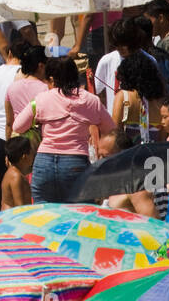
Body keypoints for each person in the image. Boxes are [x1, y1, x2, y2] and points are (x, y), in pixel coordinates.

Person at [12, 56, 113, 203]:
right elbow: (111, 129)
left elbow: (18, 126)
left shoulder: (41, 99)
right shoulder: (91, 101)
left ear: (52, 79)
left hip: (43, 164)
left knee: (45, 218)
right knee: (80, 217)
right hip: (76, 163)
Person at [1, 136, 34, 209]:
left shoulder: (15, 172)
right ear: (24, 157)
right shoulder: (16, 177)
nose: (33, 154)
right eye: (31, 151)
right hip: (11, 217)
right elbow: (19, 206)